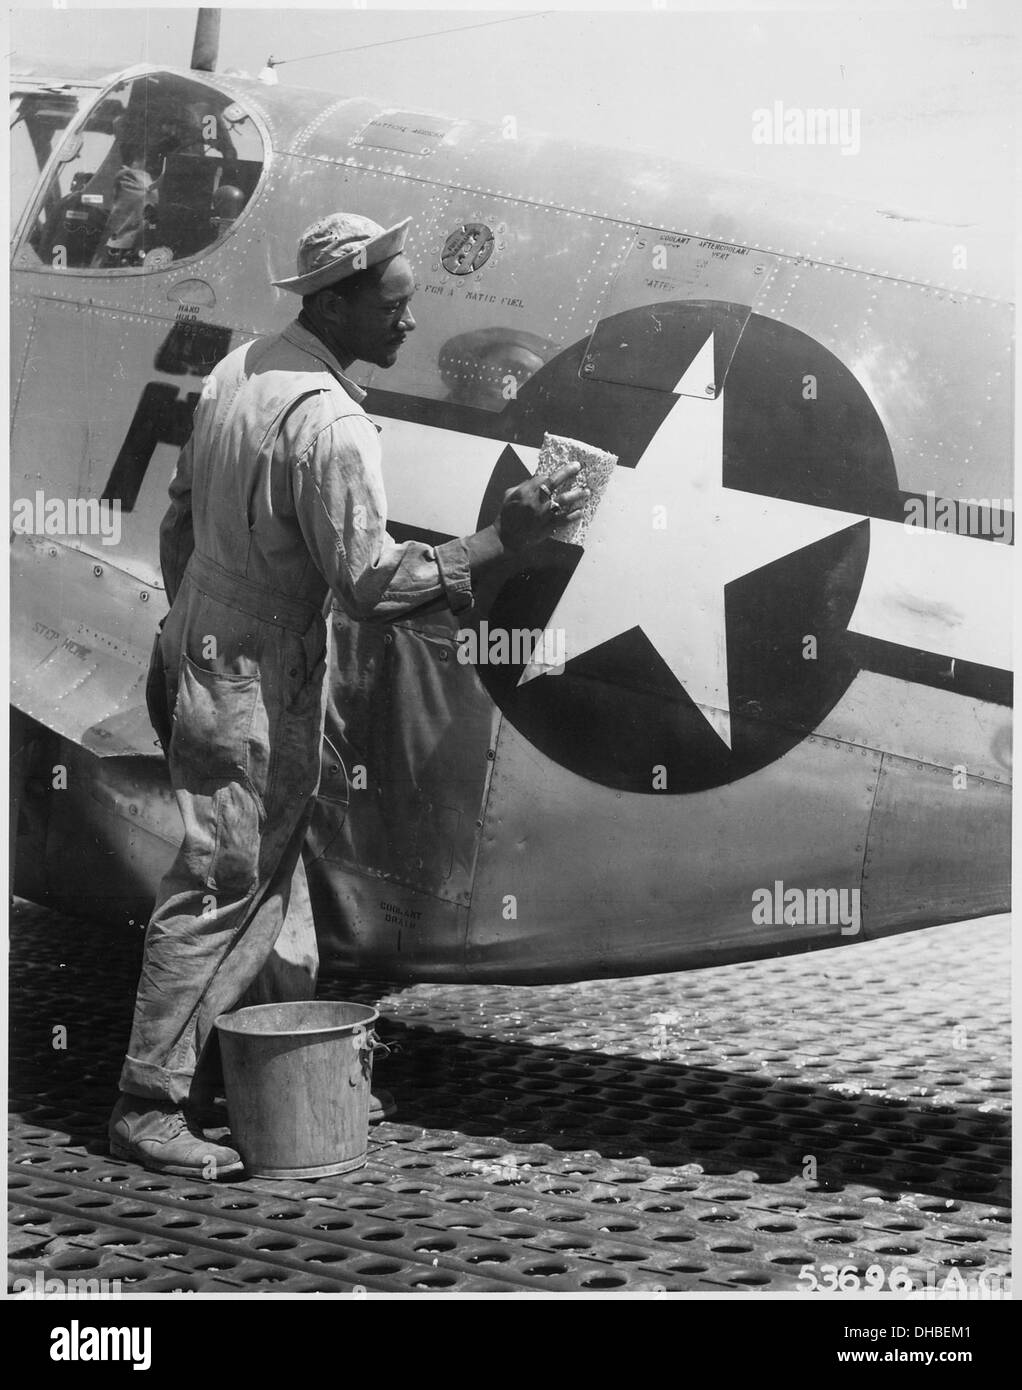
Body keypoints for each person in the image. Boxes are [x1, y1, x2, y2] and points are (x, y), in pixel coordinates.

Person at [109, 212, 586, 1178]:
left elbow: (179, 521)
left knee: (274, 871)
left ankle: (280, 1067)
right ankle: (146, 1103)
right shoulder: (332, 423)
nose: (411, 323)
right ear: (335, 304)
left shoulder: (239, 370)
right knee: (219, 883)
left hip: (202, 639)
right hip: (258, 674)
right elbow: (371, 589)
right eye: (394, 306)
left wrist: (188, 633)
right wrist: (503, 541)